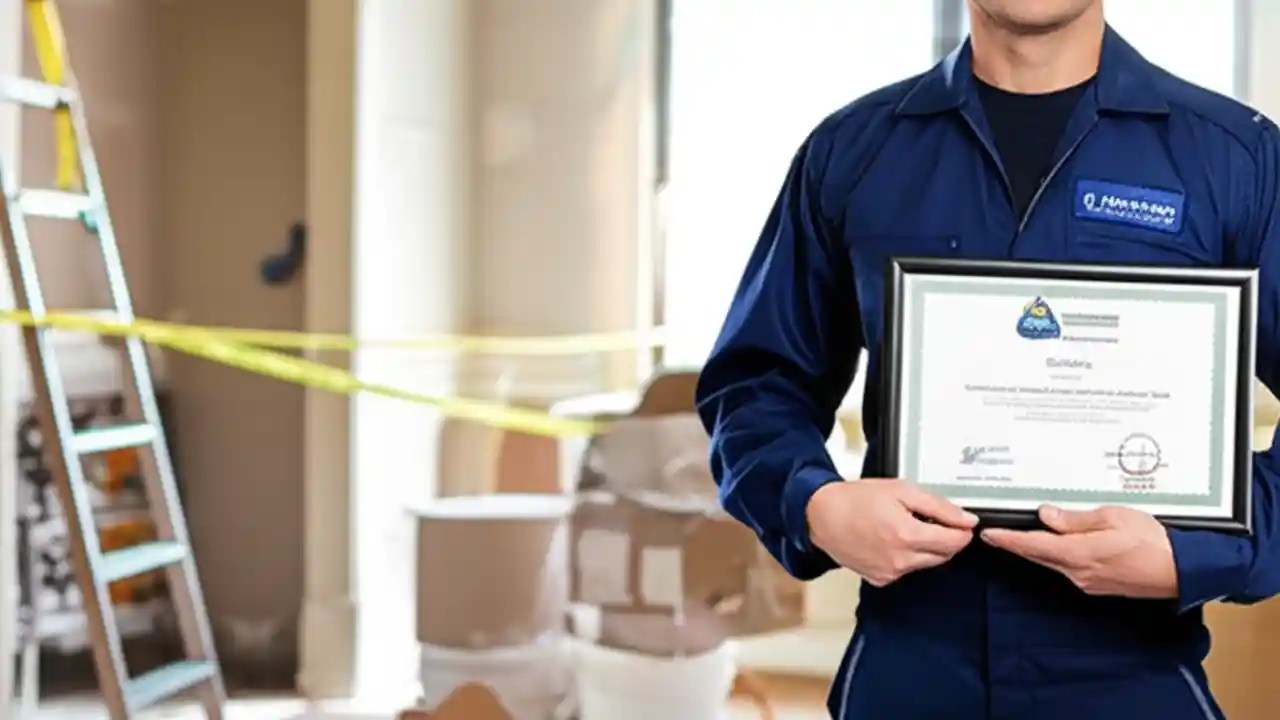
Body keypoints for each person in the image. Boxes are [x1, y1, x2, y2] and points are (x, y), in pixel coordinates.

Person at [694, 1, 1280, 718]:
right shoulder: (854, 152)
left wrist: (1194, 555)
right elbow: (756, 383)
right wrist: (814, 504)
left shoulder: (1232, 158)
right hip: (909, 668)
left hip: (1132, 678)